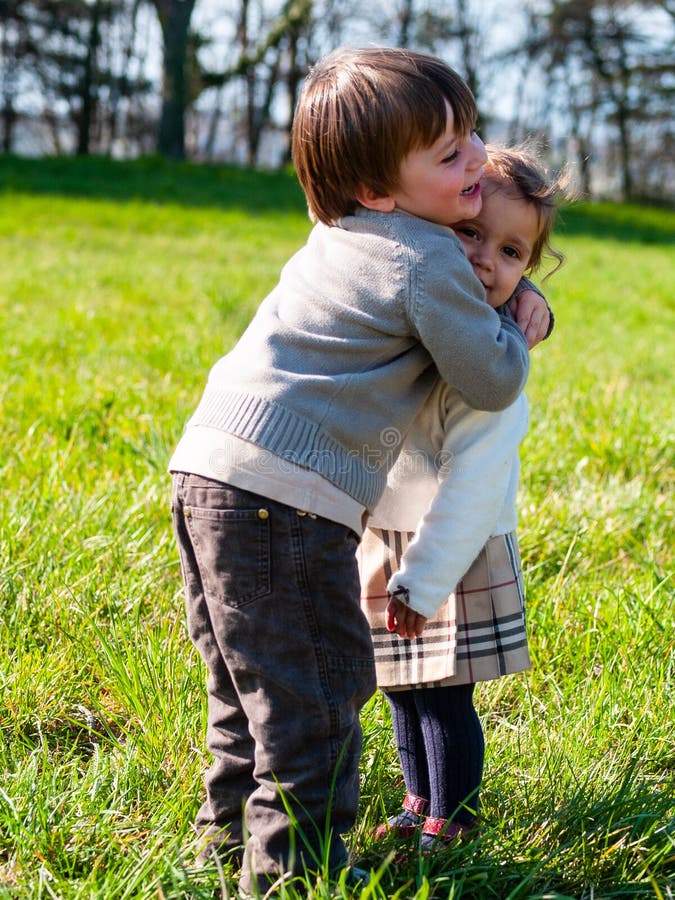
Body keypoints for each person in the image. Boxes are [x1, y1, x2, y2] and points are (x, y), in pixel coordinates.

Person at [169, 47, 539, 895]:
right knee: (319, 699)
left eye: (471, 133)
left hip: (205, 469)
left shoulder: (338, 234)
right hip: (284, 498)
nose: (478, 157)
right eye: (448, 155)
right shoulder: (426, 257)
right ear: (378, 188)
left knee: (247, 686)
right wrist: (522, 320)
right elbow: (488, 376)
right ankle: (297, 876)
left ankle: (220, 846)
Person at [359, 143, 569, 853]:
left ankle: (454, 816)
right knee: (400, 684)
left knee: (443, 692)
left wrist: (423, 580)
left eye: (512, 253)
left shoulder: (490, 368)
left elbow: (472, 487)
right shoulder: (413, 318)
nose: (486, 261)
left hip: (453, 547)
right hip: (388, 534)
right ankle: (417, 798)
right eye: (471, 233)